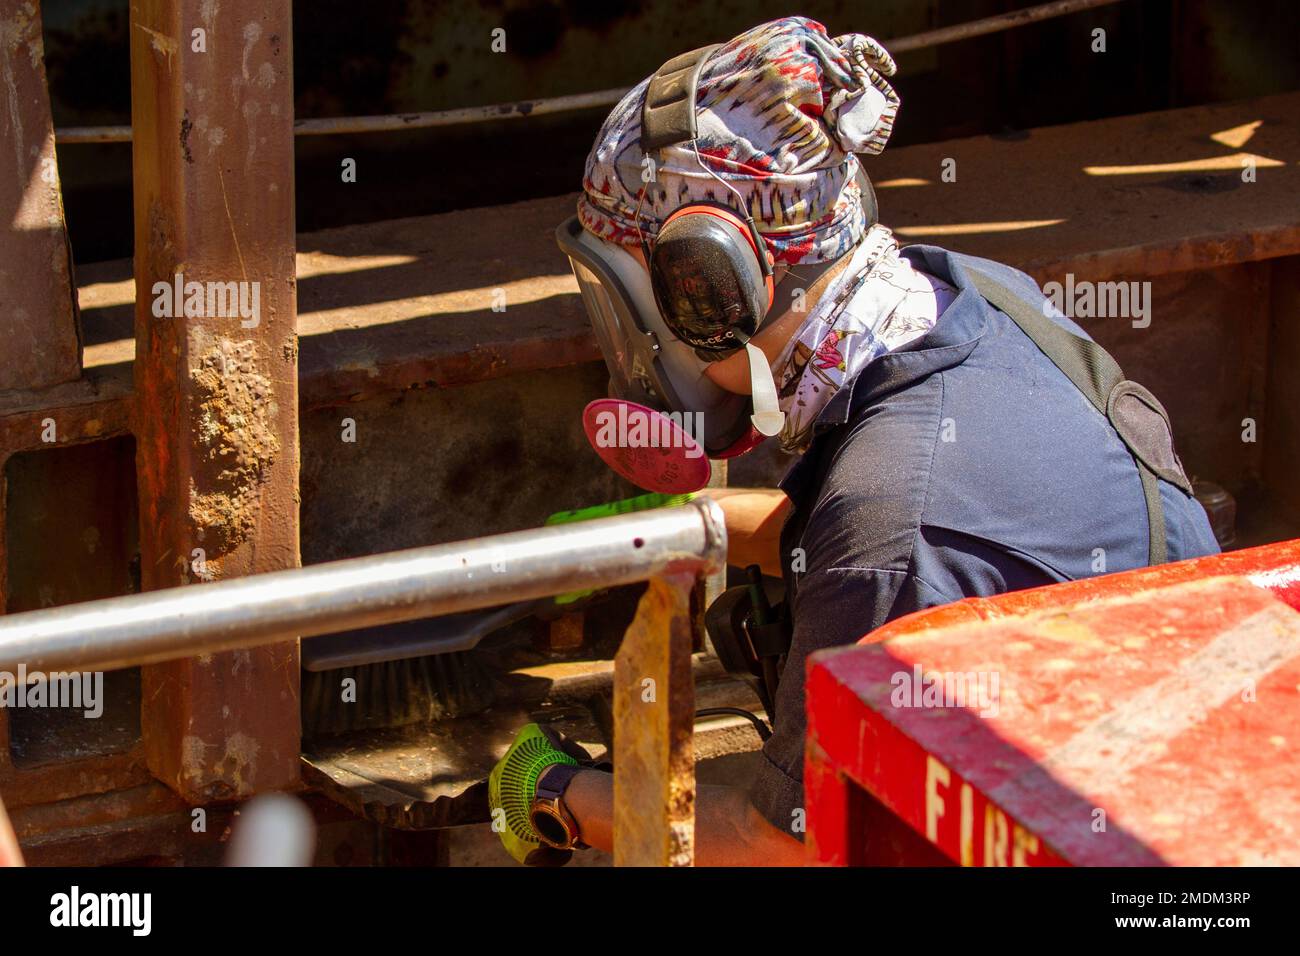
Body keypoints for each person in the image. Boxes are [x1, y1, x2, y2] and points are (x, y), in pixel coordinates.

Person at [490, 16, 1220, 867]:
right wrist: (678, 532)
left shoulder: (894, 529)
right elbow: (887, 539)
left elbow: (788, 847)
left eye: (637, 303)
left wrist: (553, 798)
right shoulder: (980, 296)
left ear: (712, 290)